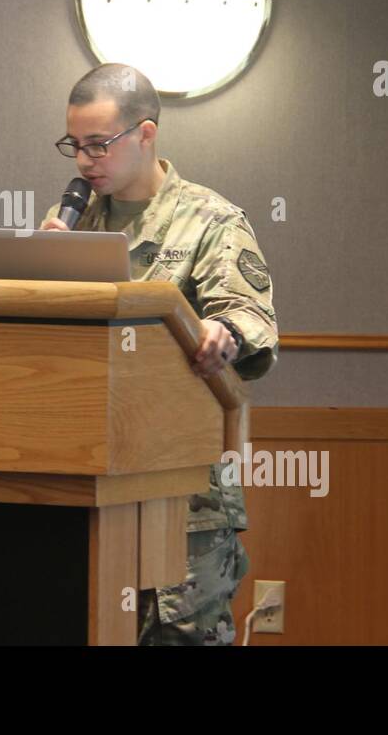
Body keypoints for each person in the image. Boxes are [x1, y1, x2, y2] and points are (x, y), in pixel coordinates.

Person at [39, 63, 279, 645]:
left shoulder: (210, 220)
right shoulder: (73, 224)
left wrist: (223, 331)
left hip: (184, 493)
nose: (84, 161)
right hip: (86, 479)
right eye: (75, 145)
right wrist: (41, 272)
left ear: (146, 134)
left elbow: (251, 317)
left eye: (99, 144)